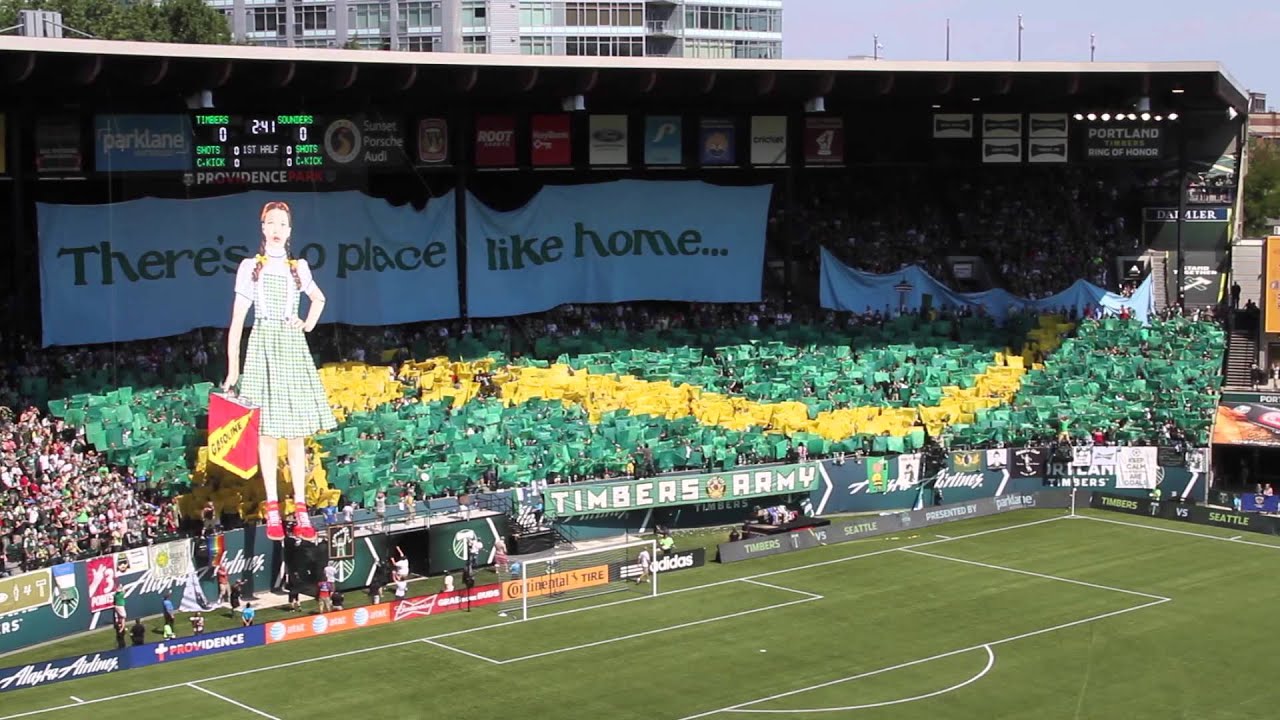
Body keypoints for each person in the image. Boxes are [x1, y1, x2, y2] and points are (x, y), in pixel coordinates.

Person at [222, 201, 337, 543]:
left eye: (281, 223)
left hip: (289, 345)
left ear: (289, 230)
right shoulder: (249, 267)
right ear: (262, 228)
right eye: (270, 222)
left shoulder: (297, 267)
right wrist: (233, 368)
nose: (275, 228)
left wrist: (306, 324)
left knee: (297, 432)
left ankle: (300, 507)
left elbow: (319, 299)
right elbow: (236, 323)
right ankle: (273, 506)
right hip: (262, 343)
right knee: (266, 432)